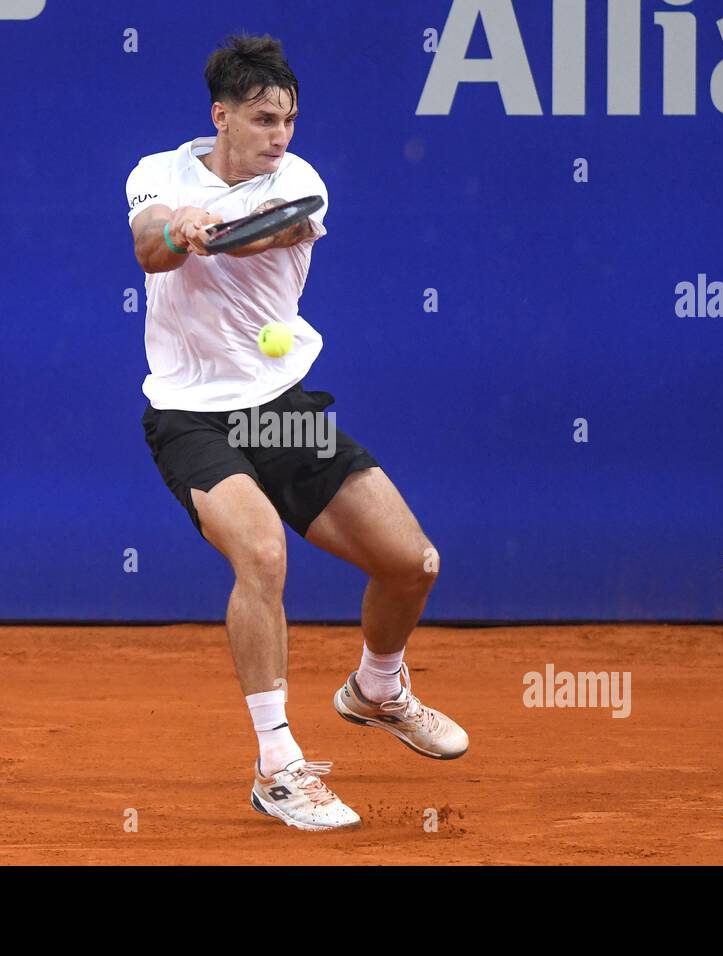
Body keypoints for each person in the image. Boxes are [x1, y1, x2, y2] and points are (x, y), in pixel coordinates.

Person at [125, 33, 467, 832]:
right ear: (222, 115)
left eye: (289, 120)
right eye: (263, 118)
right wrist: (178, 229)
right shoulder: (157, 173)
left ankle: (377, 689)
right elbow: (149, 249)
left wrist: (209, 229)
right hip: (191, 415)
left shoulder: (300, 183)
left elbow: (273, 232)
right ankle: (277, 766)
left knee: (412, 564)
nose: (280, 135)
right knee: (262, 554)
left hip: (282, 409)